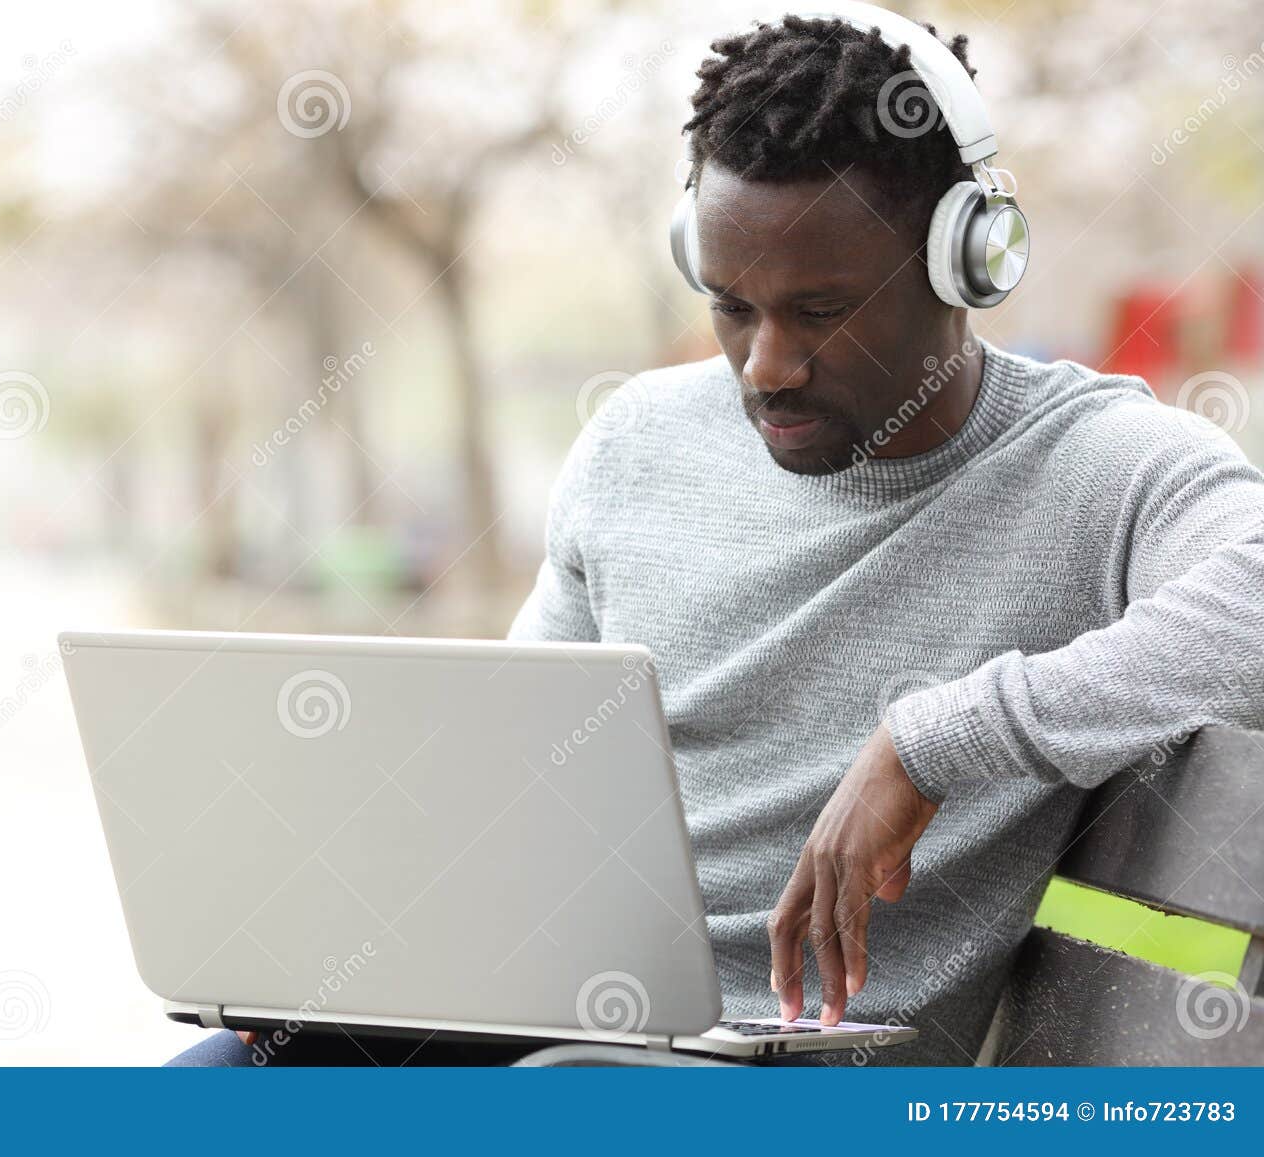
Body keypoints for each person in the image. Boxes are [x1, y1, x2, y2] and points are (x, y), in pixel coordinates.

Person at [173, 12, 1264, 1068]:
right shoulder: (635, 442)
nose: (765, 365)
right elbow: (506, 768)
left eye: (822, 309)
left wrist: (935, 739)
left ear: (966, 264)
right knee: (220, 1078)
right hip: (552, 1026)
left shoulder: (1101, 466)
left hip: (772, 1082)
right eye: (731, 305)